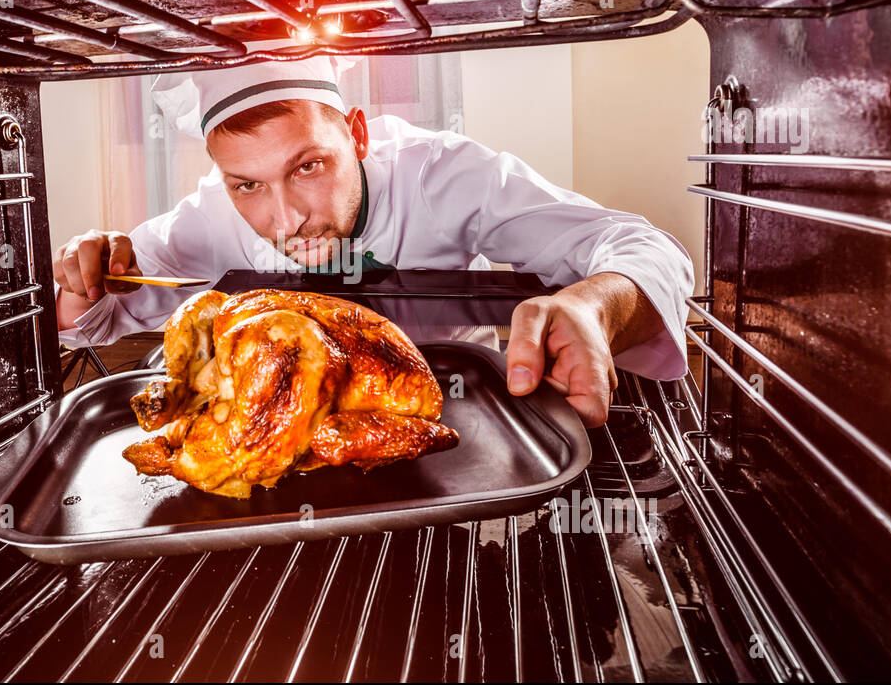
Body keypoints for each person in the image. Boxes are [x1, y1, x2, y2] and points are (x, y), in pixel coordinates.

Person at [52, 56, 694, 428]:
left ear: (356, 136)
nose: (286, 219)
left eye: (308, 166)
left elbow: (641, 246)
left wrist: (595, 307)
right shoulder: (209, 216)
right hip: (295, 439)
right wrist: (88, 273)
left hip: (454, 426)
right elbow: (92, 322)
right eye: (248, 184)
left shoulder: (447, 175)